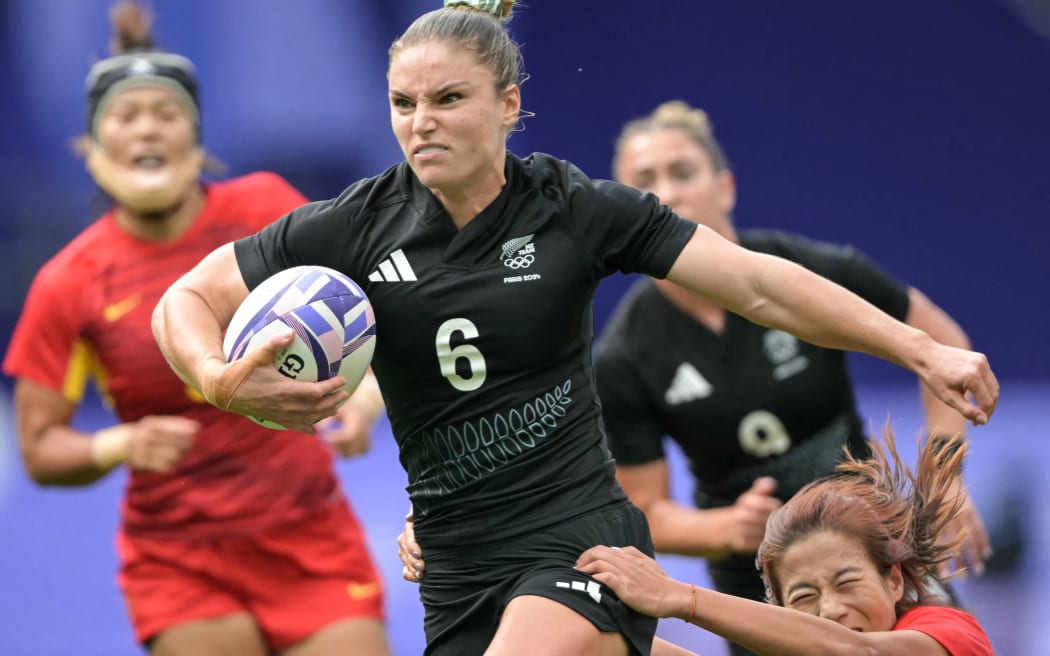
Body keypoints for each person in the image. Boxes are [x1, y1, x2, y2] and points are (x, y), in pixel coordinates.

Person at [151, 1, 997, 654]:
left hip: (577, 536)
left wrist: (919, 348)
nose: (422, 122)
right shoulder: (355, 225)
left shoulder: (571, 209)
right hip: (455, 562)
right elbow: (184, 301)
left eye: (449, 99)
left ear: (509, 103)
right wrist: (216, 378)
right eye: (403, 103)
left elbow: (756, 285)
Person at [1, 3, 391, 655]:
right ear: (92, 147)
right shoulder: (69, 282)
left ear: (198, 139)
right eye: (126, 116)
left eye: (168, 113)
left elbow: (358, 314)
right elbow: (40, 449)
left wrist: (363, 402)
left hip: (310, 538)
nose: (147, 129)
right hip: (182, 564)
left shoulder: (267, 209)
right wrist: (119, 445)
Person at [590, 100, 992, 655]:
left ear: (725, 187)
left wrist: (946, 479)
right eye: (644, 183)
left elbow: (940, 348)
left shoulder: (806, 273)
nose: (669, 194)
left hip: (868, 551)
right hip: (761, 579)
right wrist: (730, 528)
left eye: (683, 173)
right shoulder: (623, 355)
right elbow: (647, 510)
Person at [576, 430, 996, 655]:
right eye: (804, 596)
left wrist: (678, 597)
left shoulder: (949, 633)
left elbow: (859, 654)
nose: (830, 610)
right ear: (781, 612)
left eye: (847, 581)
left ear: (895, 580)